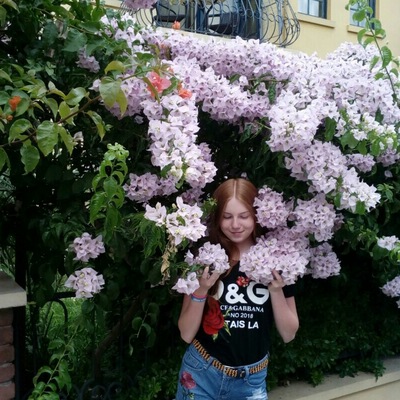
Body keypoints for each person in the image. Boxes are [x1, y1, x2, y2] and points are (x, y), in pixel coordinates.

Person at [175, 178, 299, 400]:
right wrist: (201, 290)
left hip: (250, 382)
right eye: (227, 216)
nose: (235, 225)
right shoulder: (205, 259)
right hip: (201, 374)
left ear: (256, 215)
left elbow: (289, 334)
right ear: (217, 218)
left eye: (244, 216)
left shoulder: (277, 261)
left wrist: (276, 291)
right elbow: (186, 333)